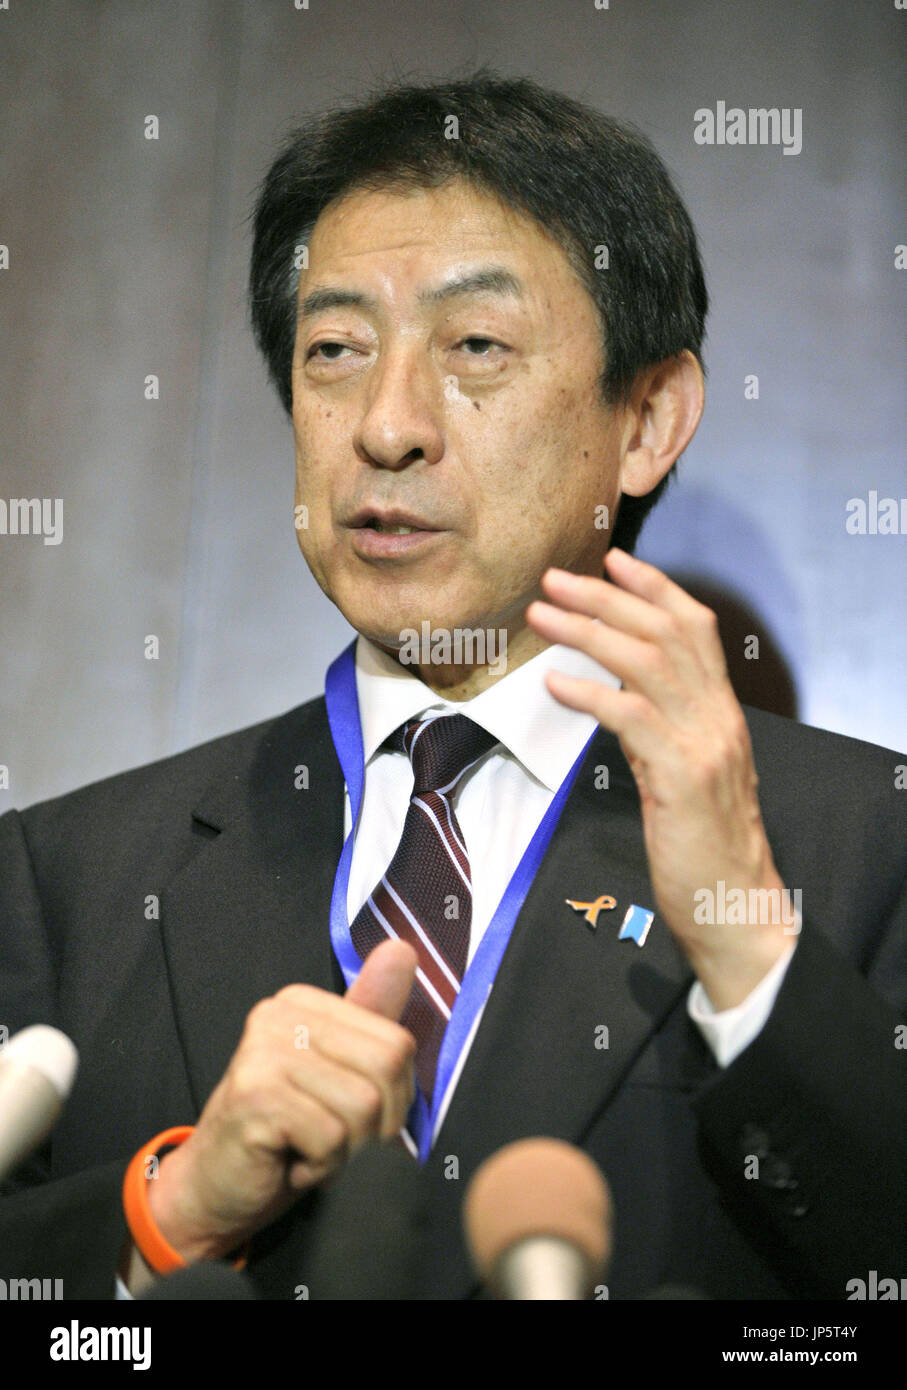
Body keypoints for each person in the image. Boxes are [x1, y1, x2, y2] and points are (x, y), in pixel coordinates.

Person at [1, 73, 904, 1301]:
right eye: (334, 352)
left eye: (475, 346)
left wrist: (749, 954)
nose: (385, 425)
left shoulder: (864, 844)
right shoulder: (67, 876)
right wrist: (171, 1211)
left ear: (646, 419)